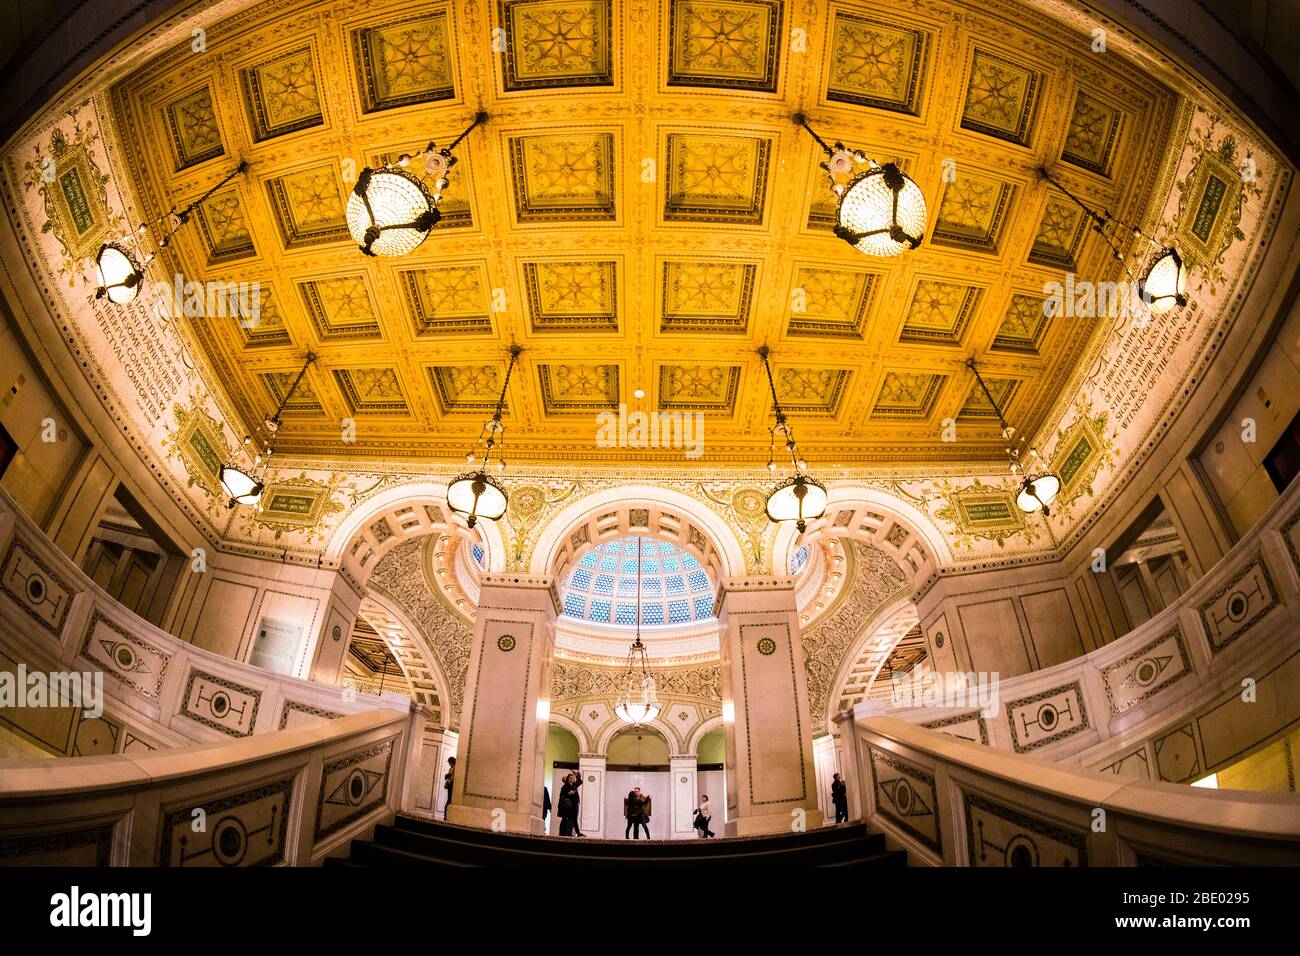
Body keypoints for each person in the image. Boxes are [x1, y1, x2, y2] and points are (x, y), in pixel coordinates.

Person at [558, 772, 583, 837]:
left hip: (574, 805)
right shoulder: (565, 786)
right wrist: (570, 793)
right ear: (568, 779)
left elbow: (580, 781)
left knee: (572, 819)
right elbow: (563, 795)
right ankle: (565, 833)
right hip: (568, 806)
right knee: (567, 819)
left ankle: (575, 833)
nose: (572, 779)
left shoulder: (574, 785)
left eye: (573, 778)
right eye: (570, 778)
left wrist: (576, 774)